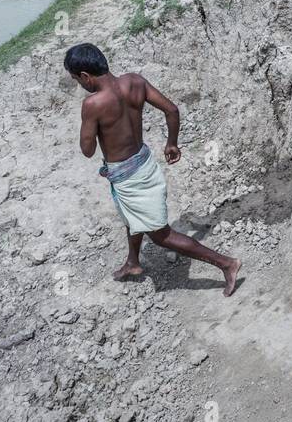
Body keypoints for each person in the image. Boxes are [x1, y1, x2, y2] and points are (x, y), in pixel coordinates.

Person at [64, 42, 241, 296]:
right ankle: (133, 262)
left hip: (129, 177)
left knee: (162, 236)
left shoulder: (93, 104)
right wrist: (172, 143)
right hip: (145, 163)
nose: (78, 85)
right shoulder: (134, 81)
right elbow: (171, 109)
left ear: (85, 76)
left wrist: (89, 125)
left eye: (75, 80)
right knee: (132, 218)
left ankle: (226, 264)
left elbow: (88, 150)